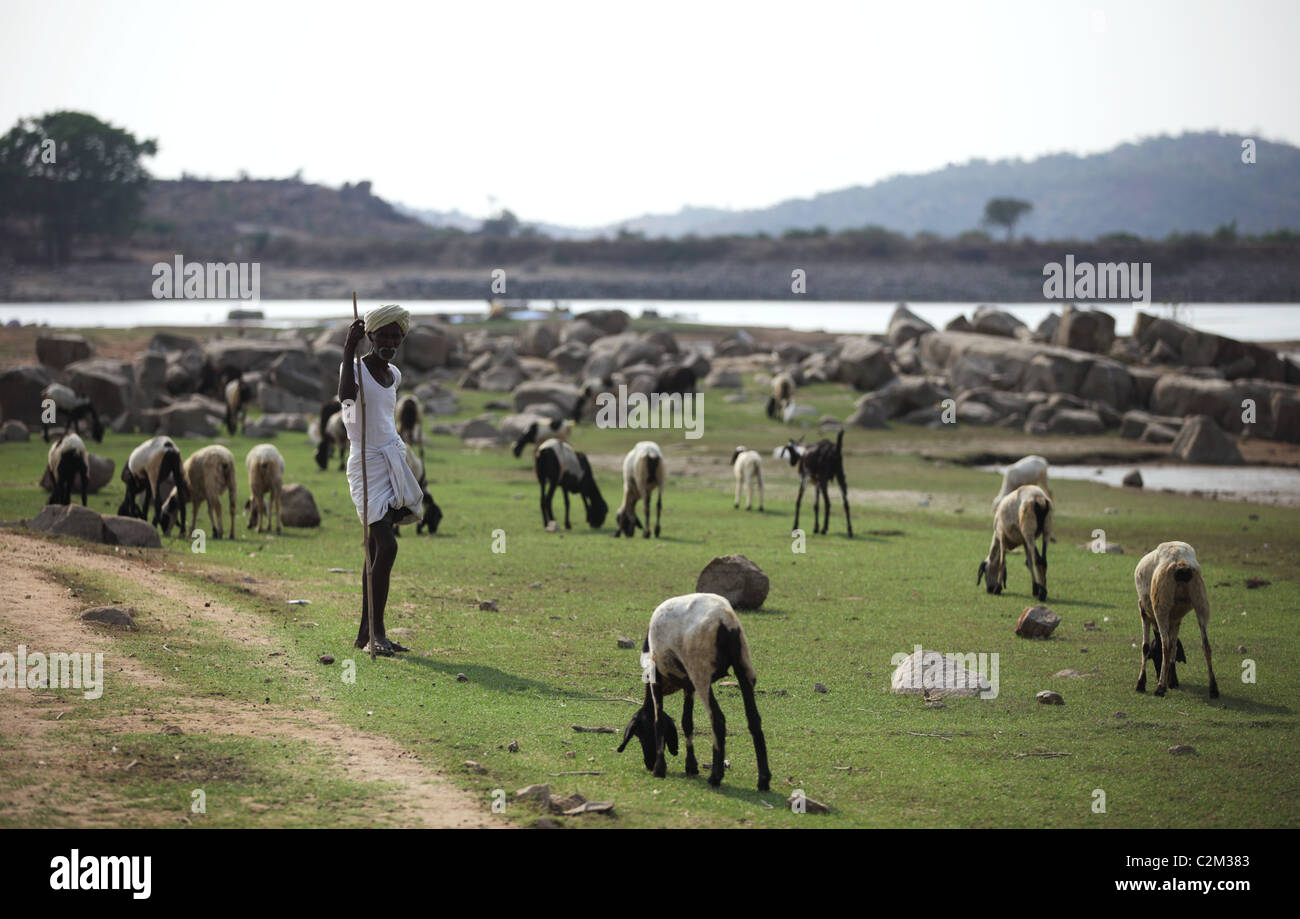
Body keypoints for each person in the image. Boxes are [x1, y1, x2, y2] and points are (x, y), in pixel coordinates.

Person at [338, 304, 425, 656]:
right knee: (387, 546)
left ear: (401, 338)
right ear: (370, 336)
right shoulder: (354, 369)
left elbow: (385, 418)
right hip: (365, 463)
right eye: (383, 335)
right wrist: (348, 347)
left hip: (391, 459)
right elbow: (345, 401)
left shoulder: (395, 376)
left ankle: (367, 634)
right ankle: (377, 632)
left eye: (396, 336)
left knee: (376, 548)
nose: (389, 342)